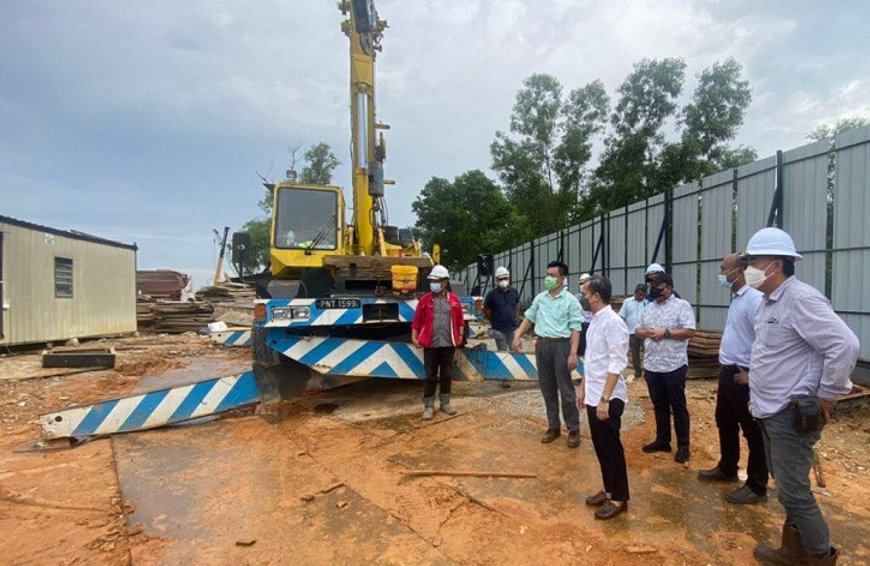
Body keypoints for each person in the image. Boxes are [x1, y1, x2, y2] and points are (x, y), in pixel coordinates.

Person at [744, 227, 858, 565]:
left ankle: (820, 556)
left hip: (790, 414)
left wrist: (828, 395)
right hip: (769, 410)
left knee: (795, 491)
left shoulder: (801, 299)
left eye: (754, 260)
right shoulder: (768, 302)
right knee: (787, 484)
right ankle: (792, 550)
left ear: (775, 264)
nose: (748, 266)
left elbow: (845, 344)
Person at [697, 253, 769, 505]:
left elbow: (766, 341)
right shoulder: (738, 298)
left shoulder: (754, 299)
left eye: (723, 268)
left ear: (739, 272)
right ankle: (727, 467)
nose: (721, 274)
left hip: (744, 374)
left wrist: (752, 375)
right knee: (725, 422)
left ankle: (756, 485)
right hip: (728, 371)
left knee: (753, 431)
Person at [512, 260, 584, 448]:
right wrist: (517, 336)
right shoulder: (540, 298)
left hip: (561, 347)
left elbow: (576, 328)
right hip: (542, 346)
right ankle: (554, 427)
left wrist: (573, 353)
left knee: (566, 390)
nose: (548, 278)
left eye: (553, 275)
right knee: (547, 389)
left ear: (562, 278)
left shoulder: (571, 301)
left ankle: (573, 429)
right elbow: (529, 318)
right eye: (548, 275)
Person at [577, 276, 630, 520]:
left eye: (586, 293)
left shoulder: (613, 322)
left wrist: (605, 399)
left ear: (596, 296)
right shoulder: (596, 321)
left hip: (607, 398)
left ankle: (619, 498)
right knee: (600, 448)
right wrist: (584, 387)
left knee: (611, 449)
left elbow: (617, 362)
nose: (584, 297)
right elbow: (592, 359)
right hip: (594, 393)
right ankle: (609, 490)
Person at [635, 271, 696, 463]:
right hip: (653, 365)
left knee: (678, 406)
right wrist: (647, 332)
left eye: (656, 285)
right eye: (651, 284)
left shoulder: (682, 306)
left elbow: (689, 331)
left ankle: (684, 445)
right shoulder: (648, 308)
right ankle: (663, 440)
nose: (652, 288)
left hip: (674, 365)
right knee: (659, 405)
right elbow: (637, 330)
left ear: (668, 287)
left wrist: (666, 333)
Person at [411, 264, 467, 420]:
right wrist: (414, 336)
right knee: (430, 376)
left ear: (444, 282)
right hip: (431, 344)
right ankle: (428, 406)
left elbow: (460, 320)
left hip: (448, 344)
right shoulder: (425, 300)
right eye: (432, 280)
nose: (433, 283)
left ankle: (445, 403)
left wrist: (460, 335)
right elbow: (416, 320)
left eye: (436, 280)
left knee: (446, 374)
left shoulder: (454, 300)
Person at [483, 266, 520, 351]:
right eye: (500, 279)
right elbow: (486, 310)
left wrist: (515, 316)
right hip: (499, 329)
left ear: (508, 278)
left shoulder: (514, 291)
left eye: (505, 278)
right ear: (496, 280)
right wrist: (494, 320)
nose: (503, 280)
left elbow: (517, 304)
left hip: (512, 328)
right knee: (502, 353)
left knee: (515, 351)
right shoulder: (491, 295)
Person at [619, 284, 649, 378]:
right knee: (634, 352)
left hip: (645, 332)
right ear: (635, 293)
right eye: (639, 294)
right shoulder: (627, 302)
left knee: (647, 351)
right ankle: (637, 371)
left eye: (643, 295)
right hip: (631, 331)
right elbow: (622, 316)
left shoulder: (647, 303)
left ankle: (648, 370)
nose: (641, 297)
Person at [575, 273, 593, 356]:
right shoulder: (576, 298)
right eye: (581, 283)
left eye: (584, 283)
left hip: (591, 325)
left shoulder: (594, 297)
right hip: (580, 326)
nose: (582, 286)